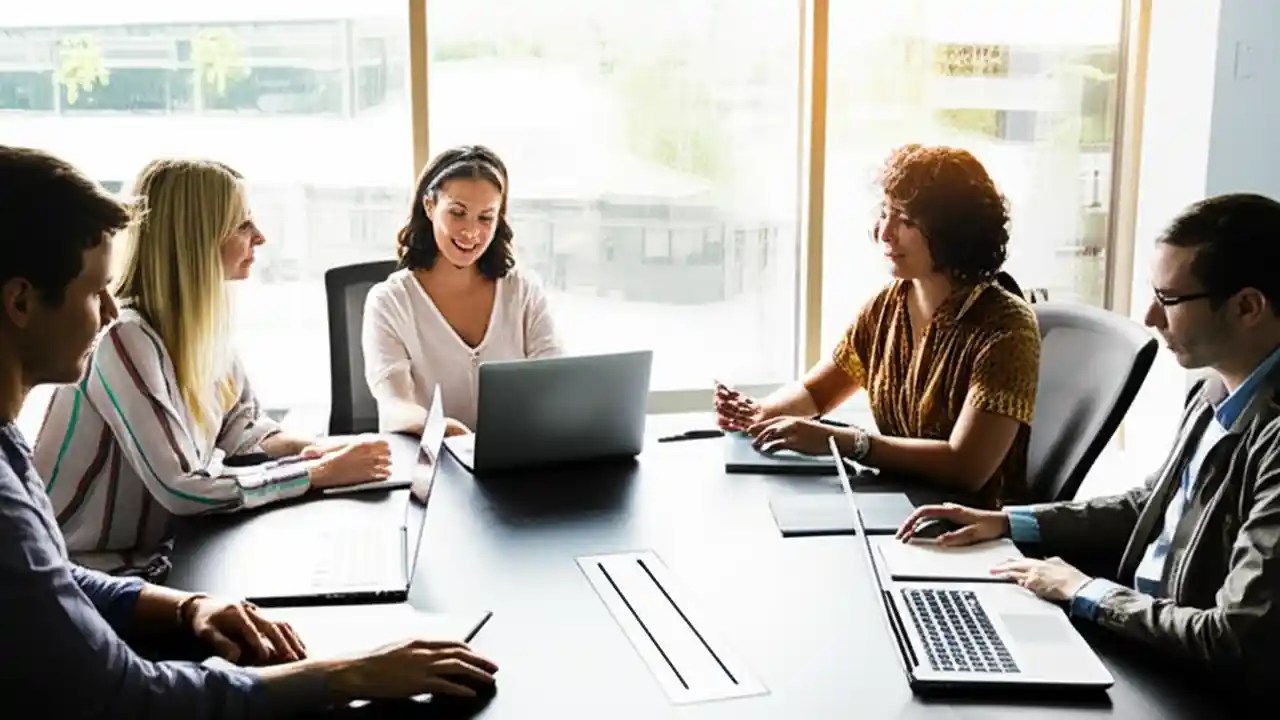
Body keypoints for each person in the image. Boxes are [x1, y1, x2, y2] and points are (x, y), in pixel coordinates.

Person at [0, 145, 497, 717]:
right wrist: (347, 674)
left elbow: (55, 579)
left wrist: (187, 608)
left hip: (150, 573)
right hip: (128, 570)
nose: (108, 311)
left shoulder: (10, 445)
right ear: (19, 301)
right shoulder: (124, 341)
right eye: (94, 292)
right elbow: (126, 692)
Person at [897, 193, 1280, 689]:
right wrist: (1008, 521)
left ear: (1247, 307)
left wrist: (1086, 592)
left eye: (1168, 299)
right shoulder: (1215, 391)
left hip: (1197, 683)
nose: (1149, 317)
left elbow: (1234, 638)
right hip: (1143, 636)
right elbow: (1150, 506)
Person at [32, 158, 392, 579]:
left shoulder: (202, 334)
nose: (260, 236)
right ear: (197, 240)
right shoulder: (123, 338)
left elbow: (242, 430)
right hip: (93, 578)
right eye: (243, 225)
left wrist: (319, 449)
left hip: (167, 555)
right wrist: (316, 474)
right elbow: (181, 488)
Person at [716, 144, 1041, 507]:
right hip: (899, 506)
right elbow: (818, 393)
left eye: (906, 221)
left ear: (953, 230)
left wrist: (847, 443)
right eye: (885, 213)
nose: (885, 233)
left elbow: (967, 467)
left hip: (973, 533)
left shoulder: (1007, 328)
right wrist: (761, 413)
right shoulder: (888, 304)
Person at [362, 144, 563, 436]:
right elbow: (395, 408)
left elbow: (556, 379)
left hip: (518, 458)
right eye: (458, 213)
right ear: (430, 206)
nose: (471, 232)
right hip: (435, 463)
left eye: (485, 218)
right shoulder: (389, 302)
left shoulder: (522, 290)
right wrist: (442, 429)